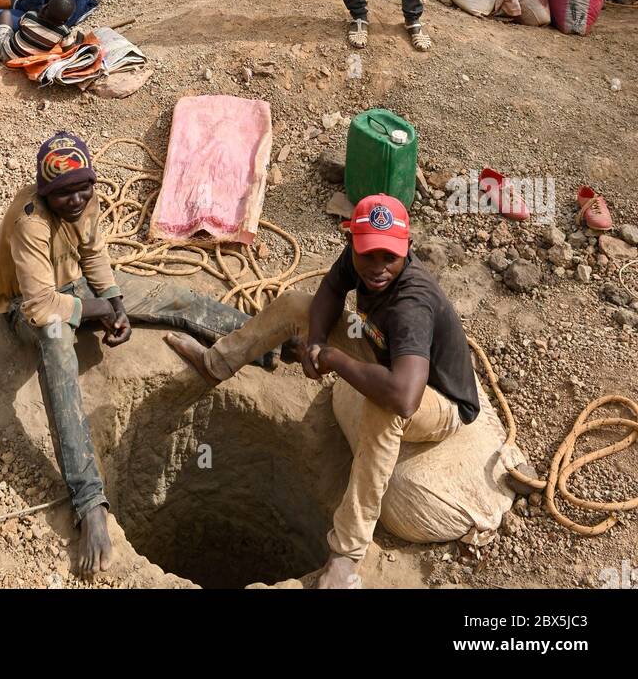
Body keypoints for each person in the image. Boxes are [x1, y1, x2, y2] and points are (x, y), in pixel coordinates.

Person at [164, 192, 479, 590]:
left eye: (389, 257)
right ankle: (217, 364)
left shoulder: (411, 305)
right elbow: (330, 288)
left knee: (383, 410)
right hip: (382, 350)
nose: (378, 267)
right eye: (368, 255)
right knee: (296, 303)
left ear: (408, 248)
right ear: (352, 243)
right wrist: (314, 341)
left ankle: (347, 554)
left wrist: (333, 358)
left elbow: (404, 397)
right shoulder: (361, 258)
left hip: (439, 399)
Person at [0, 131, 265, 575]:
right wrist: (96, 310)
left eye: (83, 189)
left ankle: (267, 339)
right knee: (57, 345)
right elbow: (39, 307)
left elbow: (94, 256)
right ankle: (89, 504)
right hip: (25, 306)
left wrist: (114, 303)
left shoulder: (85, 200)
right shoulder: (31, 223)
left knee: (172, 297)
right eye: (63, 194)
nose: (75, 200)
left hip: (74, 287)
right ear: (45, 194)